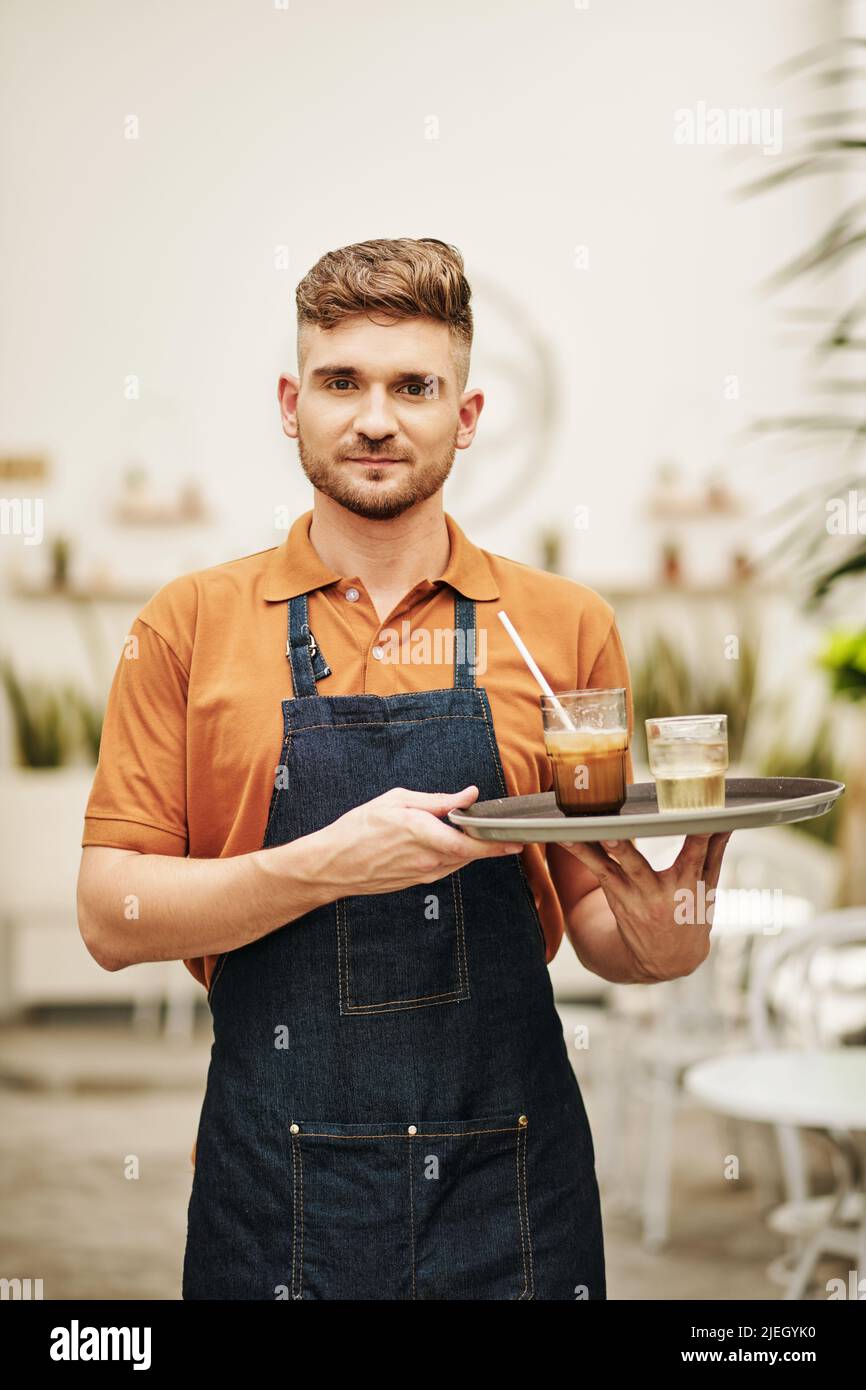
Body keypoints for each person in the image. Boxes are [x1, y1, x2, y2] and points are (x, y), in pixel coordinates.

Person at [77, 236, 731, 1301]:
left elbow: (601, 925)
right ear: (291, 403)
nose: (374, 417)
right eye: (341, 382)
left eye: (413, 386)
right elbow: (111, 915)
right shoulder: (187, 624)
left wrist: (666, 937)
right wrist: (326, 864)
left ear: (463, 417)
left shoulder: (563, 627)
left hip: (510, 1184)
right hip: (273, 1181)